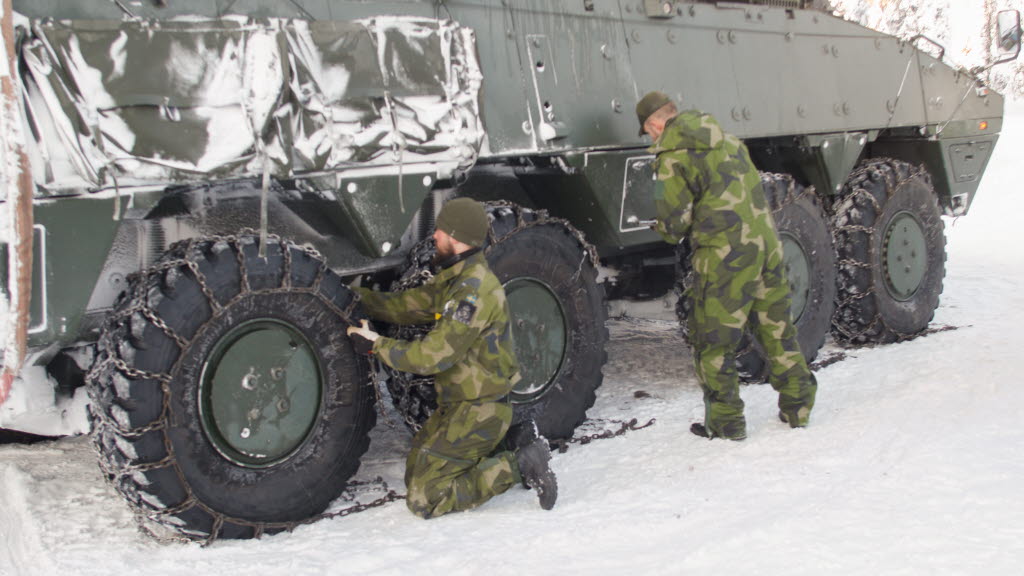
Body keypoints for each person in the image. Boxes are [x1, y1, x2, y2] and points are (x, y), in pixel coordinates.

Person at [346, 197, 557, 518]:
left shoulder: (472, 293)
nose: (434, 236)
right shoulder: (457, 279)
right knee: (416, 469)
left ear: (456, 239)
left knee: (425, 498)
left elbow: (433, 356)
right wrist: (354, 298)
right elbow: (405, 306)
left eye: (441, 231)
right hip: (461, 405)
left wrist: (377, 345)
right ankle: (510, 440)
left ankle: (518, 464)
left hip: (478, 409)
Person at [635, 91, 817, 441]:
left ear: (654, 123)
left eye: (648, 131)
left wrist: (658, 223)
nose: (652, 137)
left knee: (713, 340)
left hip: (726, 254)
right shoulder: (728, 140)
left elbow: (673, 224)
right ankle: (799, 406)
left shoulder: (671, 155)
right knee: (776, 327)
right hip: (766, 242)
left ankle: (726, 423)